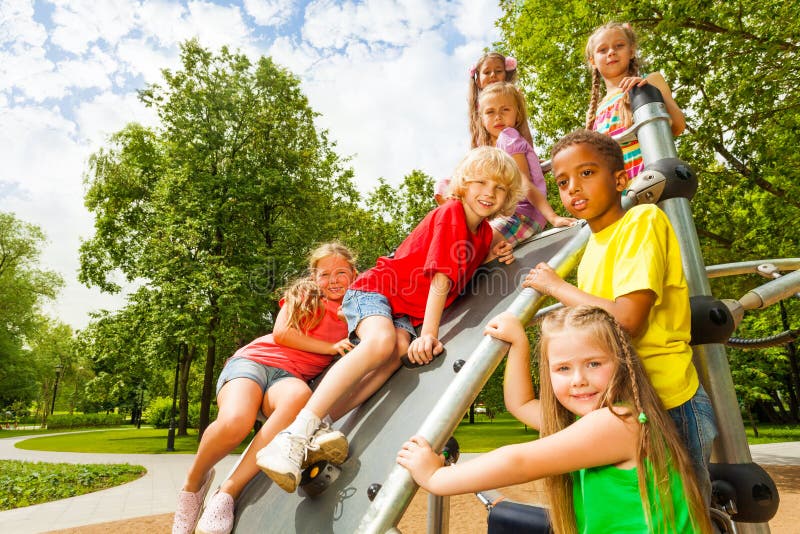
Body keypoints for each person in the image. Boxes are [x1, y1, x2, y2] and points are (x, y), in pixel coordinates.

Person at [256, 146, 523, 493]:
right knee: (381, 343)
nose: (489, 192)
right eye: (481, 182)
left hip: (403, 315)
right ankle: (296, 431)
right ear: (463, 185)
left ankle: (323, 423)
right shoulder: (452, 212)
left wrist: (497, 249)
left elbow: (481, 249)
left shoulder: (484, 234)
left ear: (507, 198)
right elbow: (441, 277)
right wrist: (428, 335)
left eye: (500, 188)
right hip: (376, 292)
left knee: (395, 352)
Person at [523, 129, 717, 501]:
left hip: (667, 399)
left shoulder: (641, 221)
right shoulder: (592, 248)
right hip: (623, 404)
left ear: (619, 178)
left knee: (682, 514)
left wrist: (556, 287)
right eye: (562, 182)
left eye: (586, 173)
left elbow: (628, 319)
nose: (573, 188)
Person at [398, 306, 712, 533]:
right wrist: (518, 344)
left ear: (622, 363)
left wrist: (437, 479)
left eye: (593, 363)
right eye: (563, 368)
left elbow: (518, 461)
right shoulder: (597, 425)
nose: (578, 380)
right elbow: (521, 405)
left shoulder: (619, 422)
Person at [172, 242, 358, 534]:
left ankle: (228, 492)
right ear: (314, 277)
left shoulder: (358, 309)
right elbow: (282, 334)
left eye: (341, 272)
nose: (333, 280)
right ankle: (193, 486)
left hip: (290, 378)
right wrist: (330, 346)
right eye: (324, 274)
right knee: (236, 421)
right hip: (253, 362)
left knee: (300, 397)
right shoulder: (303, 295)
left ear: (354, 273)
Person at [476, 82, 575, 251]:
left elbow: (523, 182)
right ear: (482, 118)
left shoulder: (508, 137)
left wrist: (553, 217)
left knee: (474, 248)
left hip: (522, 216)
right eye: (490, 112)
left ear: (517, 113)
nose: (498, 116)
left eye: (505, 110)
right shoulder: (503, 144)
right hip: (519, 215)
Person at [585, 22, 686, 183]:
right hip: (619, 192)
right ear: (593, 61)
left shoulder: (650, 81)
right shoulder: (595, 112)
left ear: (631, 51)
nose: (611, 52)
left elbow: (678, 125)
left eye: (619, 45)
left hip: (652, 181)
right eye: (602, 50)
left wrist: (646, 92)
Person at [435, 51, 518, 206]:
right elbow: (476, 145)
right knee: (446, 183)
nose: (493, 75)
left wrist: (529, 155)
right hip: (486, 162)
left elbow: (522, 131)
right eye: (487, 72)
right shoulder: (477, 108)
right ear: (478, 81)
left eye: (498, 71)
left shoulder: (512, 99)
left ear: (506, 75)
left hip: (504, 161)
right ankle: (455, 211)